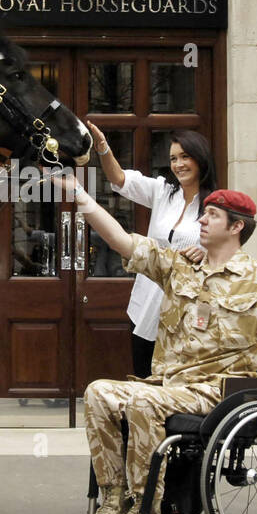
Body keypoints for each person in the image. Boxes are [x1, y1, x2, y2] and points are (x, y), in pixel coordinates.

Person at [51, 173, 257, 514]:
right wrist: (79, 195)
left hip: (217, 394)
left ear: (237, 226)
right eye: (204, 214)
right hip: (168, 385)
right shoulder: (180, 266)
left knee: (144, 402)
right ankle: (114, 501)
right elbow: (124, 242)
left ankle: (143, 513)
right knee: (99, 393)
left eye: (211, 215)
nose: (201, 220)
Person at [85, 123, 216, 378]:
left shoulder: (216, 204)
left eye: (185, 157)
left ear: (200, 158)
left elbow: (233, 248)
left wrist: (208, 255)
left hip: (185, 312)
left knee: (175, 383)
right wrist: (103, 148)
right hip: (146, 304)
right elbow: (119, 179)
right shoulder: (163, 192)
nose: (178, 165)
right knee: (144, 377)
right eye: (173, 159)